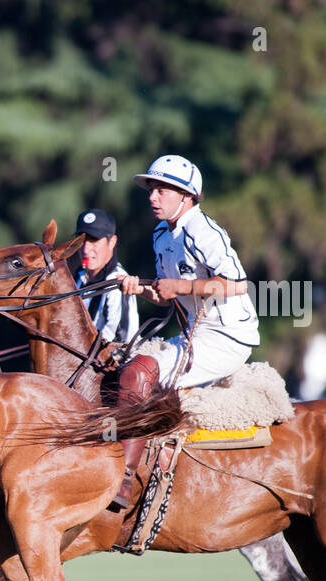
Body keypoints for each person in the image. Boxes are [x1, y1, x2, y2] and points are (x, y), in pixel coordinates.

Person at [110, 155, 258, 510]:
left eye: (161, 190)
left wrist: (178, 285)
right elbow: (167, 298)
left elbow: (237, 285)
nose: (152, 197)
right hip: (195, 334)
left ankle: (123, 479)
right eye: (151, 189)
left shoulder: (203, 231)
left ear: (187, 196)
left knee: (139, 372)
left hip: (226, 336)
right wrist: (141, 290)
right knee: (122, 373)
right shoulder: (161, 234)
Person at [71, 208, 139, 344]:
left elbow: (119, 339)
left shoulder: (117, 280)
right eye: (82, 240)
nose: (85, 249)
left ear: (112, 242)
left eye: (94, 241)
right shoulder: (79, 275)